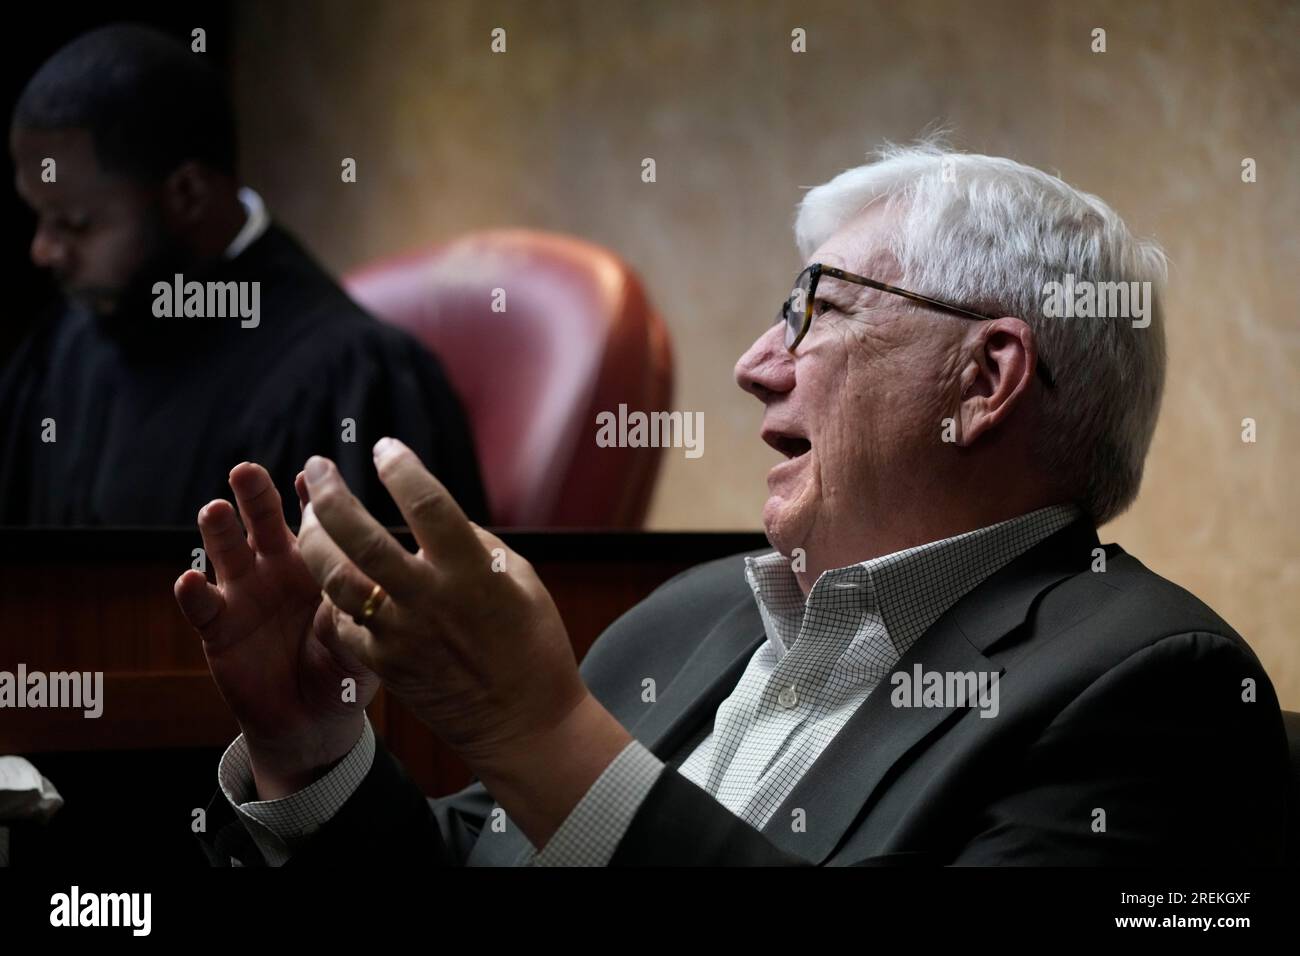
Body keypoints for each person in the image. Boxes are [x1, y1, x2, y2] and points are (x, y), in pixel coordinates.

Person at [176, 143, 1290, 866]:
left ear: (985, 379)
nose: (757, 364)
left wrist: (543, 736)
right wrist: (313, 745)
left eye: (817, 311)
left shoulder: (1156, 687)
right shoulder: (689, 614)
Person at [0, 24, 487, 527]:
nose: (43, 250)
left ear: (187, 194)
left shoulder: (347, 377)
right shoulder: (68, 345)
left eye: (74, 224)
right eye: (39, 217)